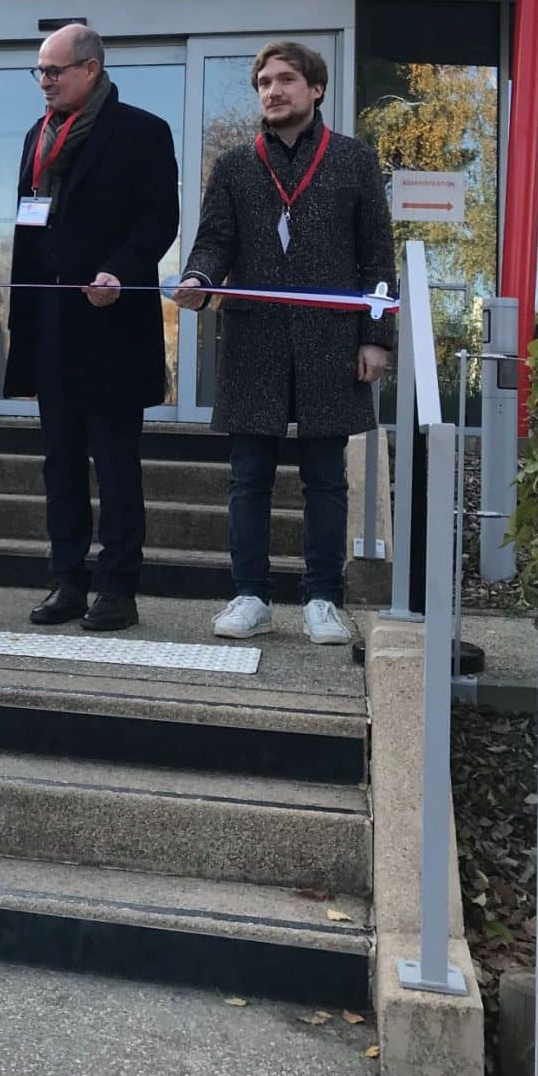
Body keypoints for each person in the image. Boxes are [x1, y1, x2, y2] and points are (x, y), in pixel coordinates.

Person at [174, 41, 396, 648]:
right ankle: (250, 596)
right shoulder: (235, 164)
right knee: (249, 477)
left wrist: (376, 338)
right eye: (264, 83)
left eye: (286, 80)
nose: (272, 91)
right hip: (255, 337)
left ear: (315, 89)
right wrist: (199, 278)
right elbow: (214, 240)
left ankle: (323, 599)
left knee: (326, 478)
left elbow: (377, 256)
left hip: (332, 339)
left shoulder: (354, 160)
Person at [5, 24, 179, 633]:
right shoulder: (37, 136)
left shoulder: (142, 131)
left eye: (54, 70)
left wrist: (120, 271)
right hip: (53, 325)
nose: (44, 81)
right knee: (60, 463)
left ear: (91, 69)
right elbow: (29, 229)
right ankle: (67, 581)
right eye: (40, 71)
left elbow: (159, 220)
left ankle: (118, 589)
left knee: (115, 464)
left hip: (111, 325)